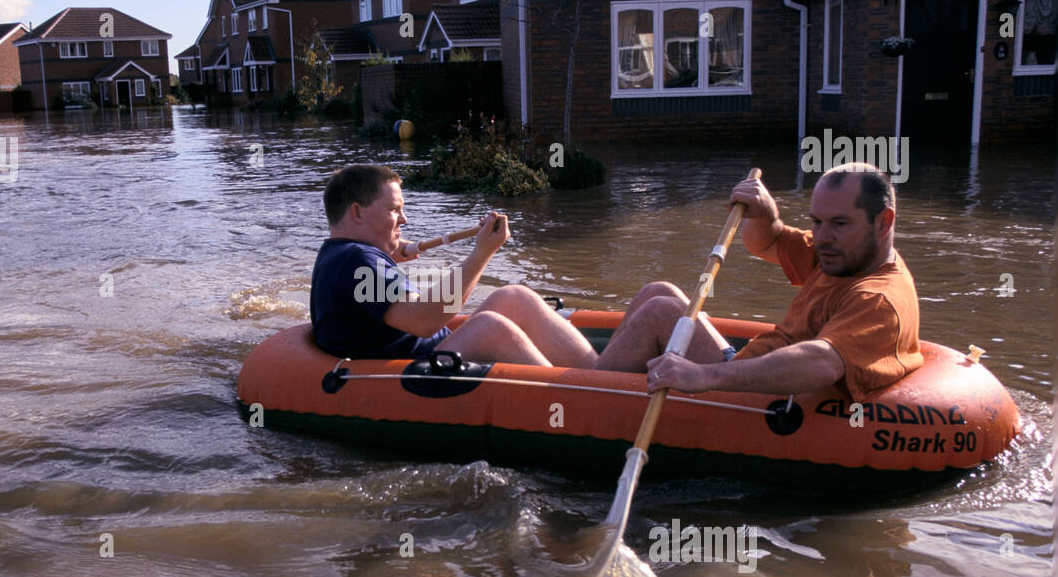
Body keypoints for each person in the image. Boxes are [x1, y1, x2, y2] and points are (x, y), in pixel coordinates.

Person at [596, 162, 922, 401]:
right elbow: (766, 242)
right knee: (660, 292)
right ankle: (582, 377)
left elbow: (823, 363)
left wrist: (703, 375)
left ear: (883, 223)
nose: (822, 237)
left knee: (659, 312)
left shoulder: (877, 298)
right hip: (744, 368)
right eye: (816, 222)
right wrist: (765, 214)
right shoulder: (844, 257)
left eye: (838, 223)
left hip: (757, 396)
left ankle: (574, 391)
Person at [310, 164, 600, 367]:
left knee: (514, 297)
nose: (404, 219)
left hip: (431, 353)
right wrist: (482, 253)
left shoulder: (344, 256)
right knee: (490, 327)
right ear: (357, 212)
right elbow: (424, 321)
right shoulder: (356, 260)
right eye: (394, 209)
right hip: (414, 369)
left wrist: (387, 252)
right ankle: (582, 396)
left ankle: (600, 377)